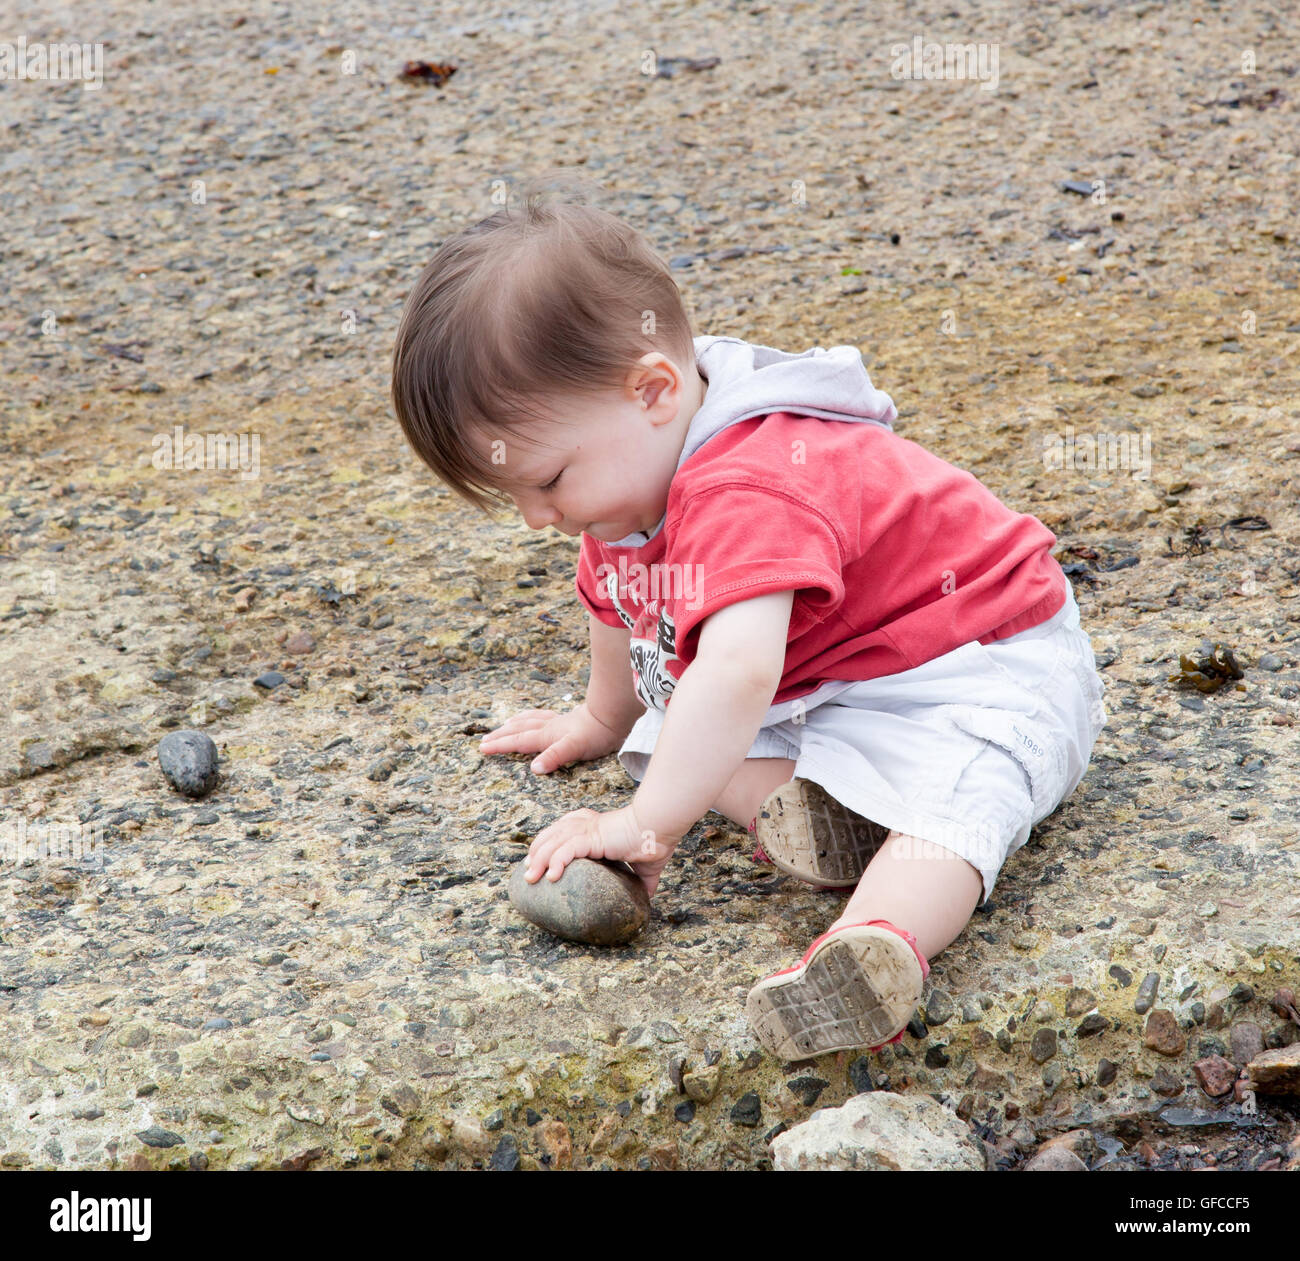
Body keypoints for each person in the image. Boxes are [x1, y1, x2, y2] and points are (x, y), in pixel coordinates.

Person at [390, 178, 1107, 1060]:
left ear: (653, 390)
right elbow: (621, 592)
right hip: (843, 672)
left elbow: (735, 672)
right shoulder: (635, 456)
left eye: (545, 482)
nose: (539, 516)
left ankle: (873, 944)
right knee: (663, 732)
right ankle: (833, 821)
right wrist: (602, 716)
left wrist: (646, 827)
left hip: (984, 661)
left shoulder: (747, 480)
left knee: (957, 808)